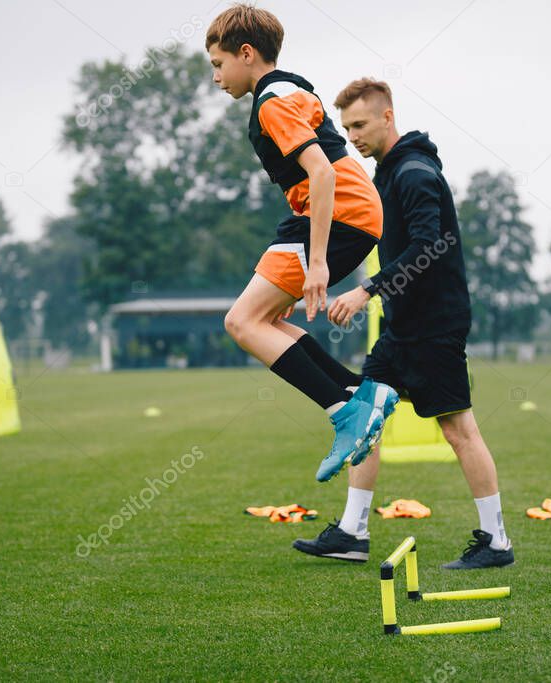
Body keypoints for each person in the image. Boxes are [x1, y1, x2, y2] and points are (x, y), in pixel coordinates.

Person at [293, 78, 514, 569]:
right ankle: (352, 531)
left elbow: (428, 246)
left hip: (435, 327)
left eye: (361, 124)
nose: (352, 134)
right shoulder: (386, 174)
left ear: (387, 117)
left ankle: (497, 542)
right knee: (363, 417)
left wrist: (366, 288)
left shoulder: (413, 173)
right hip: (400, 329)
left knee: (459, 430)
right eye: (347, 126)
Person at [204, 5, 398, 482]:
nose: (215, 77)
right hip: (343, 215)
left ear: (245, 53)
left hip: (339, 216)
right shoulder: (289, 86)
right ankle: (356, 391)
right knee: (262, 318)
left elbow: (323, 172)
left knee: (241, 322)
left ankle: (345, 411)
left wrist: (316, 265)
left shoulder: (271, 102)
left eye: (217, 64)